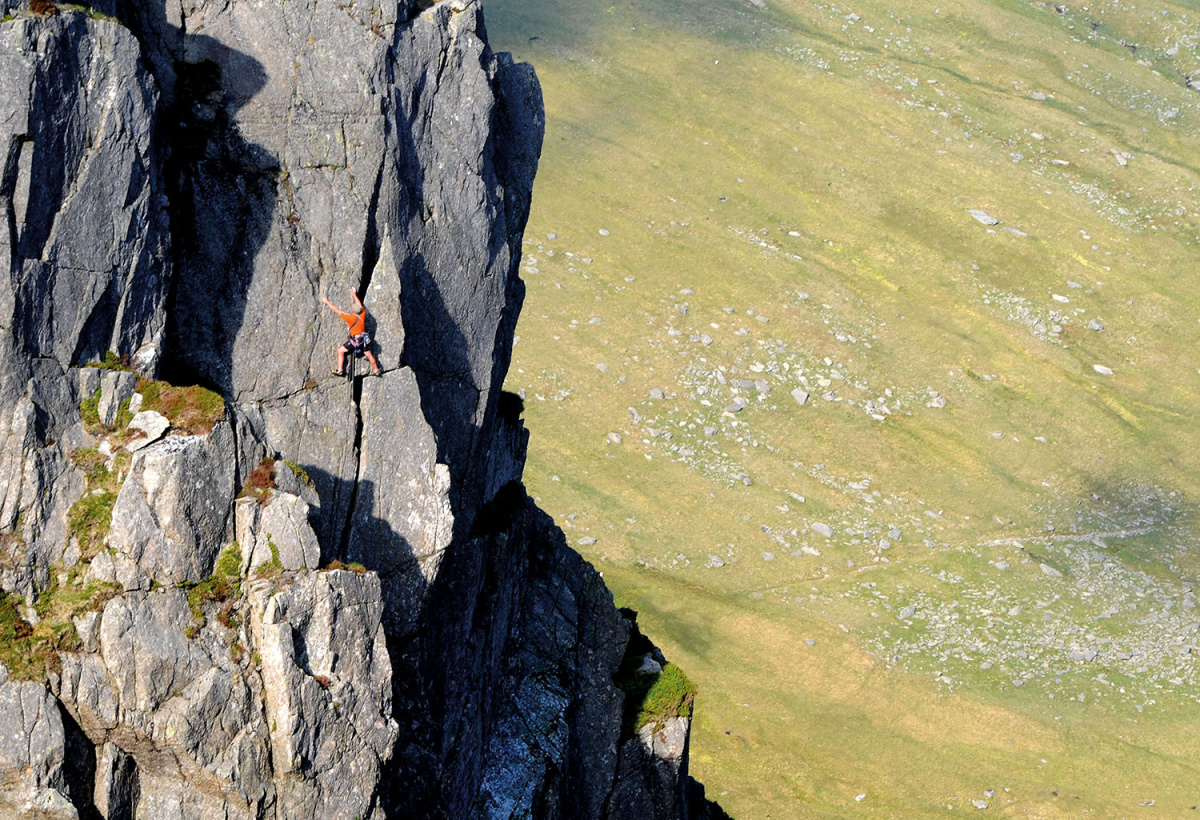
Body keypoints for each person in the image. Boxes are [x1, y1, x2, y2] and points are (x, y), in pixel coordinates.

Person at [322, 290, 382, 376]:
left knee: (340, 351)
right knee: (368, 354)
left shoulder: (350, 318)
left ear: (353, 311)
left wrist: (327, 301)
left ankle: (340, 370)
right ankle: (376, 370)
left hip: (356, 340)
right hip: (364, 339)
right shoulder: (362, 314)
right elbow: (360, 305)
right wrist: (354, 294)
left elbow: (337, 310)